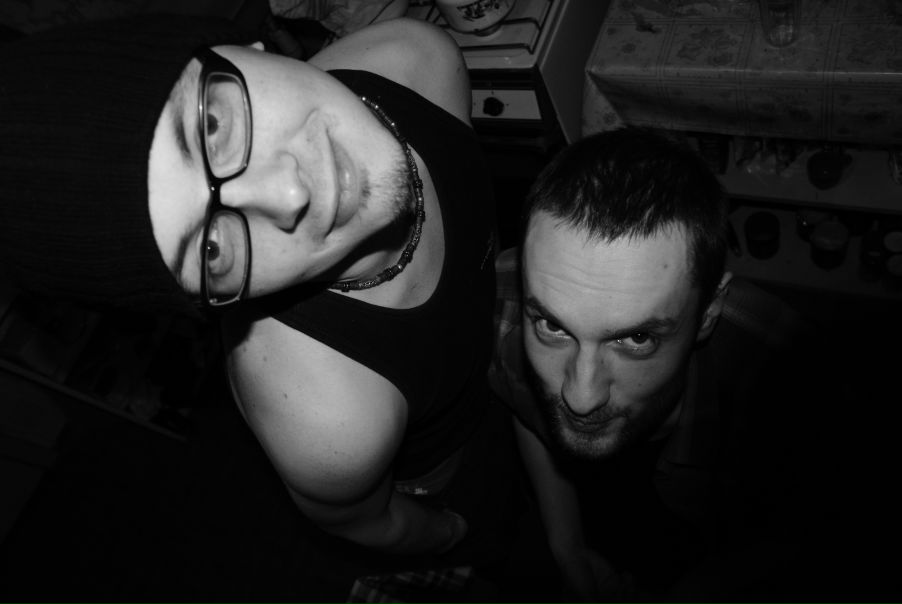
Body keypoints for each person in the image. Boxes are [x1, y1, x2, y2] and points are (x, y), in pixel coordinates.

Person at [0, 12, 518, 601]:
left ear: (243, 46)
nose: (290, 194)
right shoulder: (329, 423)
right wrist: (449, 533)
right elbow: (374, 523)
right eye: (212, 249)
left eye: (211, 124)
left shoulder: (416, 61)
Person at [489, 126, 839, 600]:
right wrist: (566, 545)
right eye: (553, 326)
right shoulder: (505, 307)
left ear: (708, 313)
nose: (580, 397)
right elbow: (523, 404)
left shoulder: (789, 379)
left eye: (637, 338)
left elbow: (804, 527)